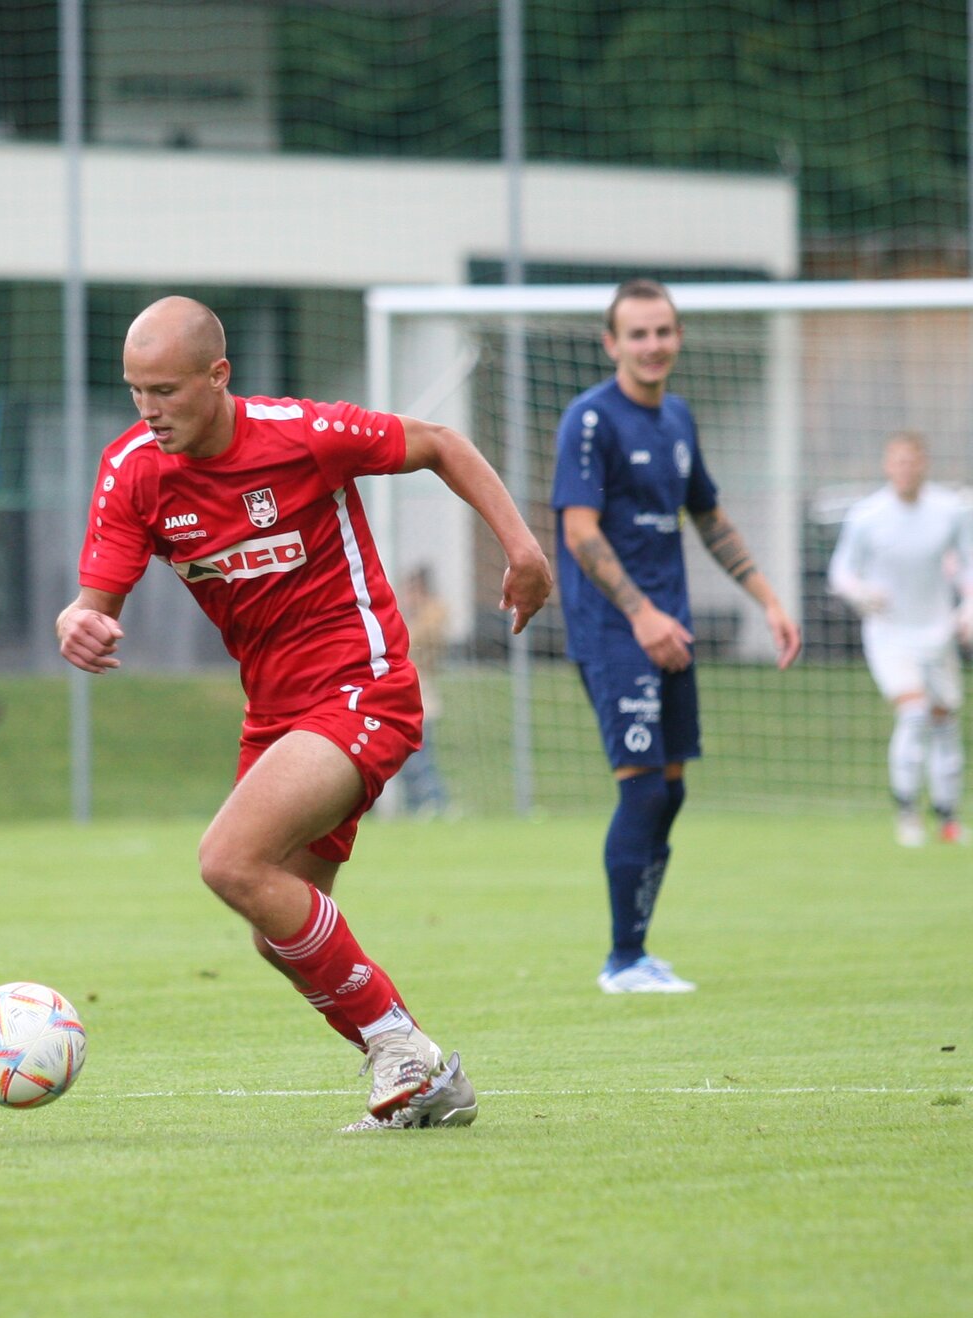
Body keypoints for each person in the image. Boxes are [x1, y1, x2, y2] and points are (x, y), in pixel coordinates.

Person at [57, 296, 552, 1132]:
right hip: (279, 713)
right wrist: (80, 620)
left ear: (219, 376)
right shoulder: (132, 471)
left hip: (365, 685)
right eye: (136, 391)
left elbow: (440, 444)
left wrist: (524, 549)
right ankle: (428, 1082)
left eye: (167, 390)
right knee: (271, 918)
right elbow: (94, 600)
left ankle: (399, 1046)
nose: (149, 411)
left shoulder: (301, 434)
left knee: (228, 860)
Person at [552, 278, 802, 996]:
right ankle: (622, 960)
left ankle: (637, 953)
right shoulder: (591, 420)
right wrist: (640, 614)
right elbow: (578, 530)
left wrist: (768, 599)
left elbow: (711, 517)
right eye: (637, 334)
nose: (652, 345)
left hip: (672, 629)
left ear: (679, 336)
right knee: (640, 793)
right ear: (612, 343)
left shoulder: (679, 418)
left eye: (663, 331)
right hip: (616, 630)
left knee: (671, 792)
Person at [827, 431, 973, 847]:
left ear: (923, 464)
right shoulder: (866, 515)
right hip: (889, 633)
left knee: (944, 722)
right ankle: (907, 812)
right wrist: (862, 594)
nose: (905, 469)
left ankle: (947, 817)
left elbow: (967, 564)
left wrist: (968, 608)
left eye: (913, 461)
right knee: (913, 713)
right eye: (898, 461)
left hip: (937, 631)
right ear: (887, 466)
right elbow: (841, 572)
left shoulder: (951, 510)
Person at [396, 565, 451, 816]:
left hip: (420, 695)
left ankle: (433, 802)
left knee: (419, 756)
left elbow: (410, 644)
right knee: (410, 757)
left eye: (410, 590)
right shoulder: (420, 616)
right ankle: (421, 804)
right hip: (410, 694)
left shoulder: (432, 616)